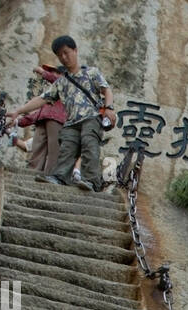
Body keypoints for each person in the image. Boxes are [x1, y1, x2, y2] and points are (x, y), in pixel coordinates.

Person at [9, 35, 116, 193]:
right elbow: (42, 99)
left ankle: (91, 181)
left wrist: (109, 108)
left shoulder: (91, 73)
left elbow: (106, 89)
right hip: (71, 122)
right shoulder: (61, 83)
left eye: (66, 52)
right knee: (67, 148)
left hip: (91, 118)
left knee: (89, 144)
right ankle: (60, 177)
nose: (64, 57)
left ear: (75, 50)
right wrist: (18, 111)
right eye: (60, 55)